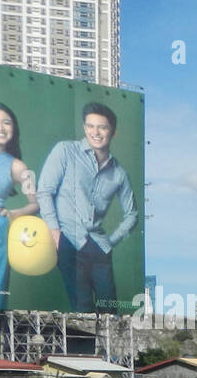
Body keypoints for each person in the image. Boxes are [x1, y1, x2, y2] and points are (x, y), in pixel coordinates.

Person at [36, 102, 137, 313]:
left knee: (109, 310)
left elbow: (132, 214)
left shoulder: (119, 173)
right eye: (90, 126)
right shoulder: (65, 150)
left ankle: (110, 347)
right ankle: (82, 347)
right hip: (68, 240)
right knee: (82, 308)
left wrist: (110, 241)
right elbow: (45, 191)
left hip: (99, 247)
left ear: (113, 132)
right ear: (84, 128)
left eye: (102, 127)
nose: (96, 132)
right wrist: (55, 232)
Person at [0, 103, 38, 310]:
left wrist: (15, 213)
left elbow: (36, 203)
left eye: (7, 122)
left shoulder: (19, 166)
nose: (0, 127)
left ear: (14, 128)